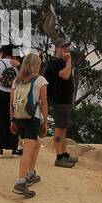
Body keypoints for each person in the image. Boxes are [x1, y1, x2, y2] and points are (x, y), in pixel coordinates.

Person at [9, 51, 49, 198]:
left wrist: (12, 120)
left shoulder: (17, 80)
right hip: (32, 118)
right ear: (36, 65)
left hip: (20, 118)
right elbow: (43, 102)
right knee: (27, 150)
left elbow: (11, 102)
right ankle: (21, 181)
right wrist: (45, 121)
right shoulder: (40, 80)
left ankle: (31, 173)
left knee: (36, 144)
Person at [44, 38, 78, 168]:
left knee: (63, 128)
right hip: (59, 101)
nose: (66, 49)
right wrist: (69, 61)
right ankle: (59, 156)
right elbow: (65, 75)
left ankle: (63, 154)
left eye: (67, 46)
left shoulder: (60, 62)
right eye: (64, 46)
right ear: (58, 48)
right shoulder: (55, 63)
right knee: (59, 129)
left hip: (64, 101)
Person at [0, 45, 21, 159]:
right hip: (13, 94)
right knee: (13, 120)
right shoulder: (16, 64)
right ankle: (15, 149)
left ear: (2, 52)